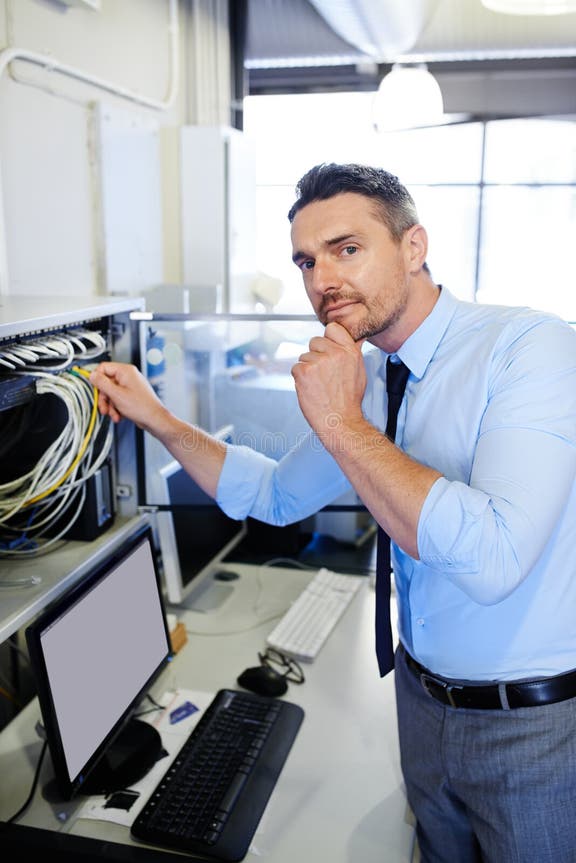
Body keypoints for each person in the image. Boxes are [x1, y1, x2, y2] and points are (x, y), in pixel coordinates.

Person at [90, 163, 576, 863]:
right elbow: (275, 495)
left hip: (529, 726)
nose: (322, 280)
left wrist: (343, 423)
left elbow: (496, 556)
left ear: (413, 248)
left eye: (347, 248)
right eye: (306, 260)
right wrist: (157, 418)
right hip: (420, 700)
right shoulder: (371, 375)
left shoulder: (528, 348)